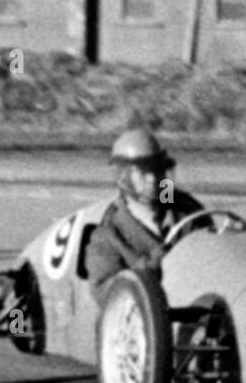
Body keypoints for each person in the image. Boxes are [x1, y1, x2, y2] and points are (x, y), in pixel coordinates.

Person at [83, 128, 203, 301]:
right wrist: (150, 267)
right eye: (144, 172)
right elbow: (105, 293)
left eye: (158, 171)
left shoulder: (188, 210)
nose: (153, 179)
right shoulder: (109, 233)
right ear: (125, 176)